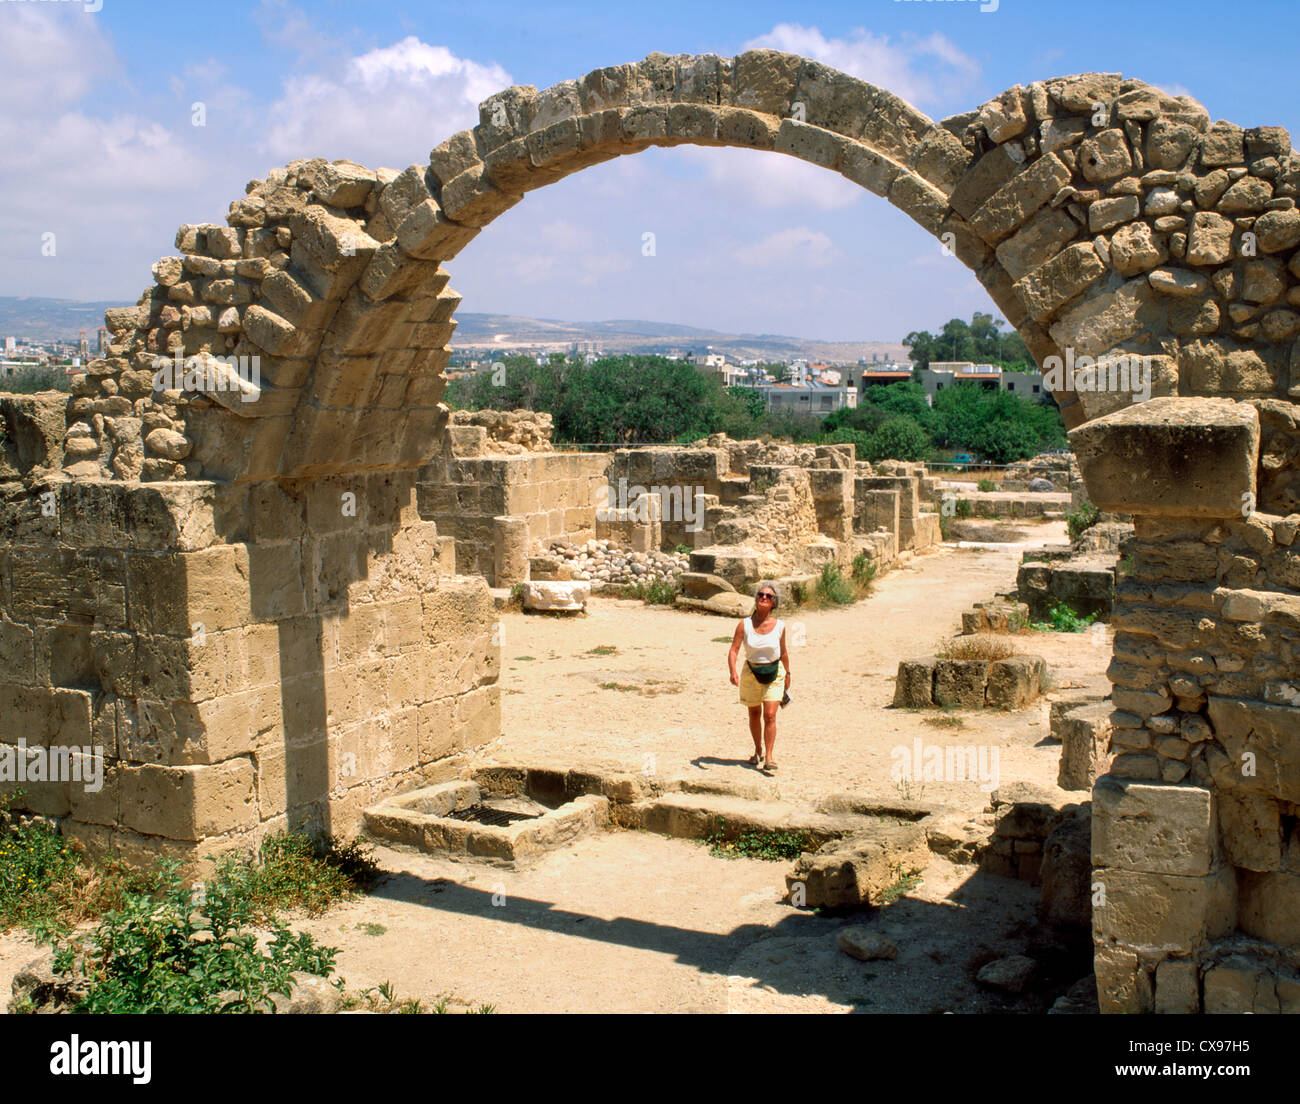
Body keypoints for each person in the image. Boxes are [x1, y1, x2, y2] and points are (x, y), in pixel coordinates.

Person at [727, 581, 789, 771]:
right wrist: (732, 671)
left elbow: (784, 652)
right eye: (761, 595)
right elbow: (734, 650)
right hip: (751, 672)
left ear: (773, 602)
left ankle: (769, 757)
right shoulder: (744, 625)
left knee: (770, 715)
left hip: (774, 672)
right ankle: (757, 749)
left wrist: (788, 674)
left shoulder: (780, 626)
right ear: (756, 599)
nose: (764, 598)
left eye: (768, 596)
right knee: (754, 714)